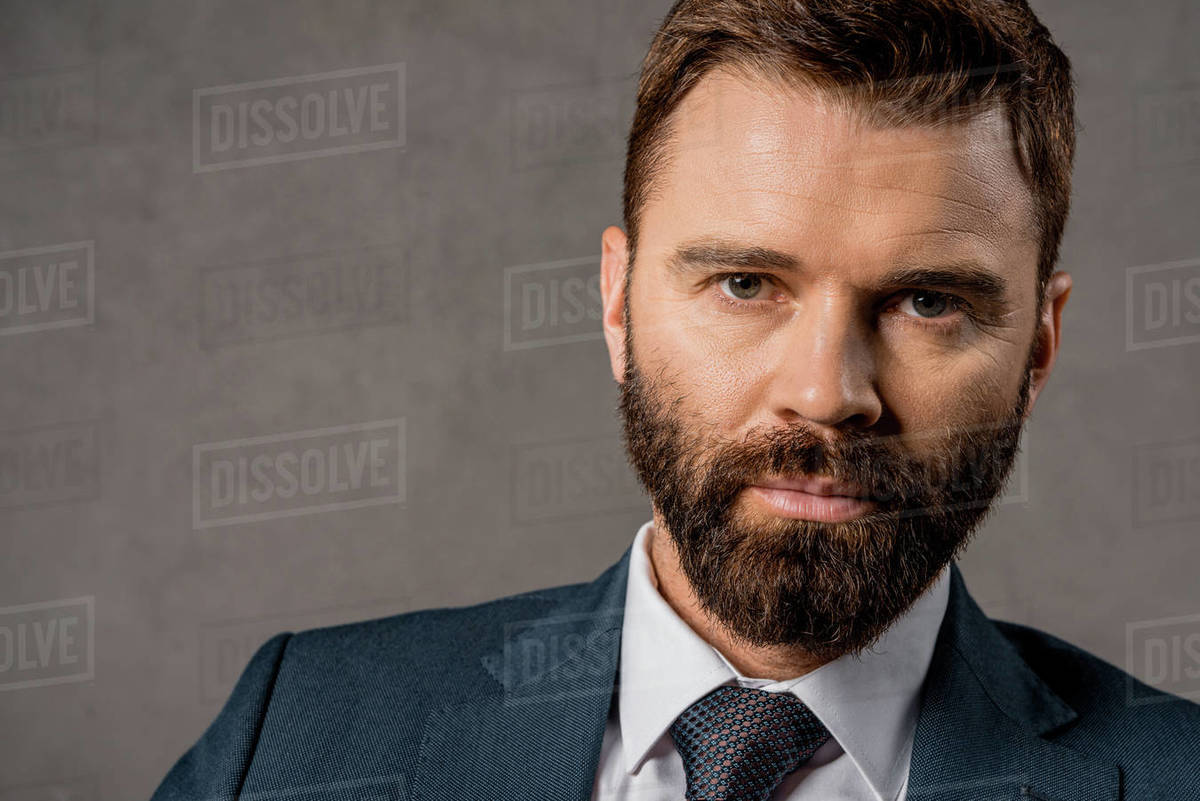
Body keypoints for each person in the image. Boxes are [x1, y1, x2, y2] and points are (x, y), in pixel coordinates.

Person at [152, 1, 1199, 799]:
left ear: (1039, 347)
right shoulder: (294, 738)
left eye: (928, 302)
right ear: (618, 305)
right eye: (745, 284)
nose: (827, 394)